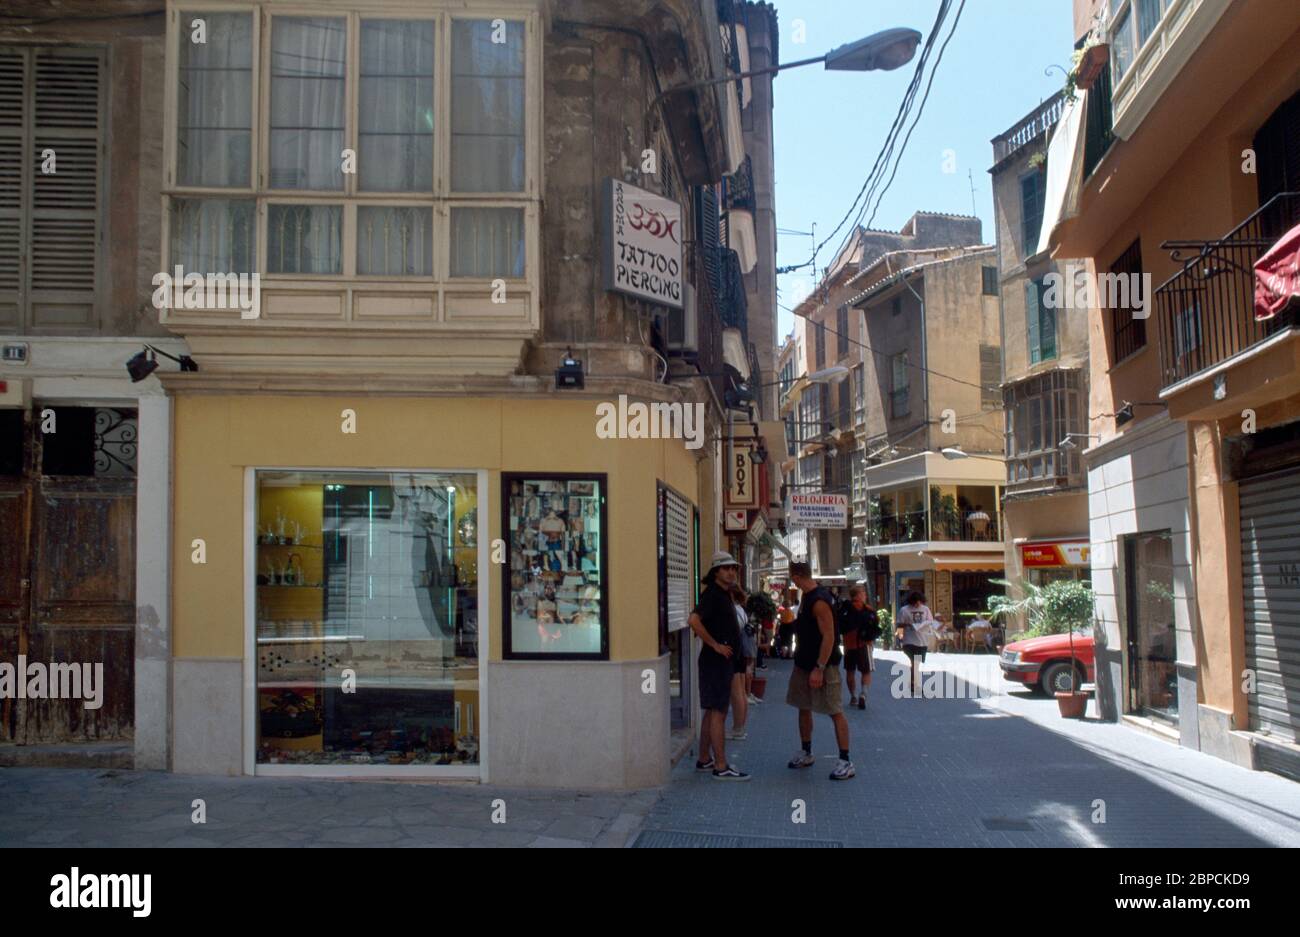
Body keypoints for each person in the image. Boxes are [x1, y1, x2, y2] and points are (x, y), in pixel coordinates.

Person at [785, 562, 855, 781]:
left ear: (796, 576)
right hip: (803, 664)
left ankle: (846, 760)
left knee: (834, 710)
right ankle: (806, 752)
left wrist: (820, 668)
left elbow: (829, 636)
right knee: (803, 706)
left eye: (792, 577)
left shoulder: (820, 601)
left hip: (823, 666)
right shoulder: (807, 596)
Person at [686, 552, 750, 780]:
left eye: (733, 568)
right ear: (716, 572)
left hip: (721, 662)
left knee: (712, 711)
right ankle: (720, 765)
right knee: (719, 713)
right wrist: (715, 645)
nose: (731, 571)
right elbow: (693, 620)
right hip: (716, 662)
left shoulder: (723, 594)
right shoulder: (713, 594)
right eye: (726, 568)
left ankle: (704, 759)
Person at [838, 585, 880, 710]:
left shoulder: (845, 608)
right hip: (864, 644)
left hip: (848, 645)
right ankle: (864, 693)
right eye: (863, 593)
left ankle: (853, 696)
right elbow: (875, 624)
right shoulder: (867, 609)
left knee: (850, 671)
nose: (865, 595)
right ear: (857, 595)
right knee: (866, 671)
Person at [727, 584, 755, 739]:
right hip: (741, 650)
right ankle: (740, 727)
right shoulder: (741, 609)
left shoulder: (733, 610)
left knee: (736, 692)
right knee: (742, 692)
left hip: (734, 650)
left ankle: (738, 729)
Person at [895, 591, 934, 697]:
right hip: (909, 641)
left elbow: (930, 622)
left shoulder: (925, 609)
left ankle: (912, 683)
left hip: (922, 641)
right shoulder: (904, 610)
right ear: (911, 602)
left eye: (919, 603)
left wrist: (926, 626)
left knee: (915, 663)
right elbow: (899, 625)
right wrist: (899, 639)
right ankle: (916, 685)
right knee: (915, 662)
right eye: (915, 603)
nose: (918, 605)